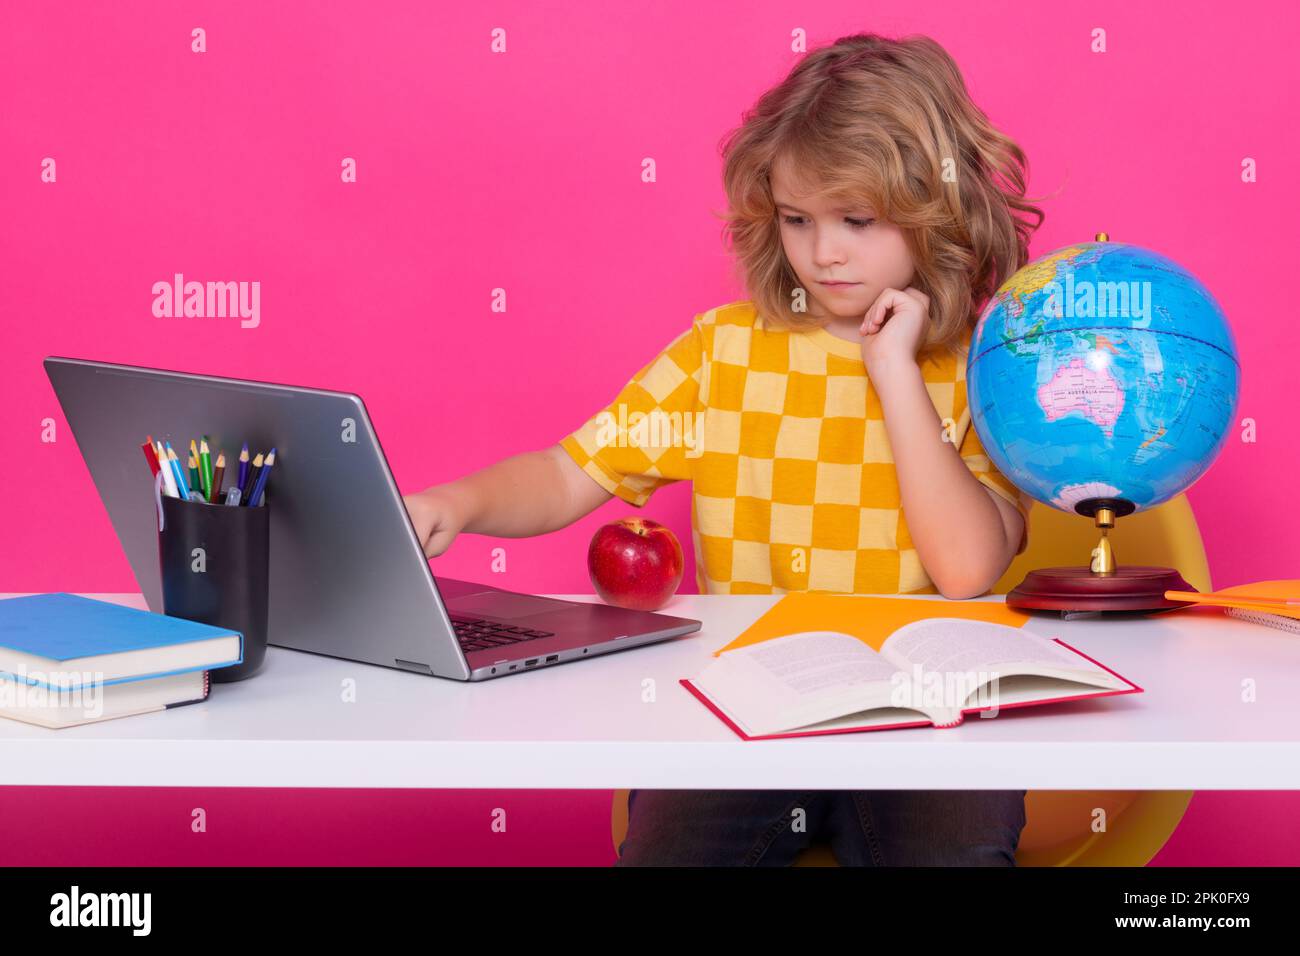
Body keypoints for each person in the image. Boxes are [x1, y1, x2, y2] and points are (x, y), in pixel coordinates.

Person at [404, 31, 1044, 866]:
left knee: (956, 856)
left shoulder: (983, 365)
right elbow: (568, 474)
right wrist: (457, 504)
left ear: (936, 210)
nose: (824, 253)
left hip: (925, 713)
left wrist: (894, 373)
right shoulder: (724, 352)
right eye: (797, 220)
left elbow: (965, 570)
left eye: (857, 219)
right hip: (752, 698)